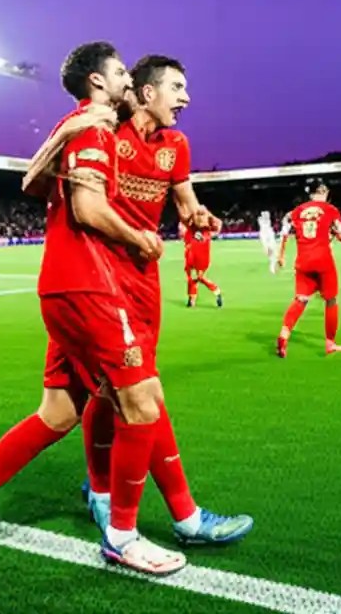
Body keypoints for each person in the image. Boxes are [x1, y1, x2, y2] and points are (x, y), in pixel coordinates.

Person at [0, 42, 184, 586]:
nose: (128, 80)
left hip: (64, 286)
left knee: (58, 414)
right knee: (142, 401)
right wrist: (138, 235)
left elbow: (36, 182)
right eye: (120, 72)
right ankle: (122, 537)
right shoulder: (93, 130)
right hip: (88, 286)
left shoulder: (81, 125)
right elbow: (88, 209)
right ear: (98, 81)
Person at [58, 54, 251, 547]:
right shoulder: (107, 132)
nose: (186, 98)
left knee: (129, 390)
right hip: (102, 278)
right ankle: (148, 508)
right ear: (148, 92)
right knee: (131, 390)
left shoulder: (176, 145)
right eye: (177, 88)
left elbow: (186, 204)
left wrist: (200, 217)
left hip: (145, 282)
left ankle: (108, 493)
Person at [276, 184, 341, 358]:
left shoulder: (296, 211)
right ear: (325, 193)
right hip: (323, 260)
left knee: (300, 300)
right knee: (331, 300)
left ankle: (284, 335)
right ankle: (330, 343)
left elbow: (284, 231)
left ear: (310, 194)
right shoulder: (330, 209)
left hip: (303, 261)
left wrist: (281, 256)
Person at [181, 220, 222, 307]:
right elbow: (186, 241)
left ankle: (216, 291)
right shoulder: (190, 230)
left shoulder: (205, 230)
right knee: (192, 279)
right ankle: (192, 300)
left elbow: (216, 226)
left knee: (199, 278)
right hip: (190, 256)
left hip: (201, 258)